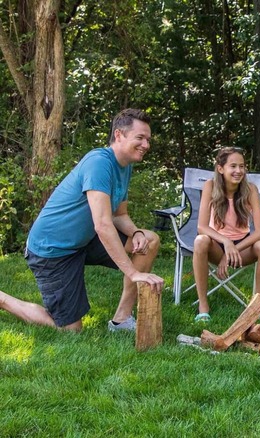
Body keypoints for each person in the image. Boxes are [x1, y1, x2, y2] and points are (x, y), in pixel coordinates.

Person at [0, 108, 165, 332]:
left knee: (149, 240)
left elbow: (119, 215)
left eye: (148, 139)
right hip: (53, 250)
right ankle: (3, 299)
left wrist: (135, 232)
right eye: (140, 138)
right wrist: (133, 273)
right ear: (119, 135)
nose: (146, 144)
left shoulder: (125, 167)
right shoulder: (99, 163)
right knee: (71, 330)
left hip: (84, 240)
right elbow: (103, 225)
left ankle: (121, 320)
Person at [191, 147, 260, 322]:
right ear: (221, 169)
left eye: (242, 166)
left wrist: (231, 250)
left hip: (241, 249)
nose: (238, 171)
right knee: (200, 241)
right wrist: (226, 244)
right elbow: (202, 227)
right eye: (233, 166)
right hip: (217, 245)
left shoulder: (250, 189)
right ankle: (203, 306)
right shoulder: (210, 186)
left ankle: (257, 308)